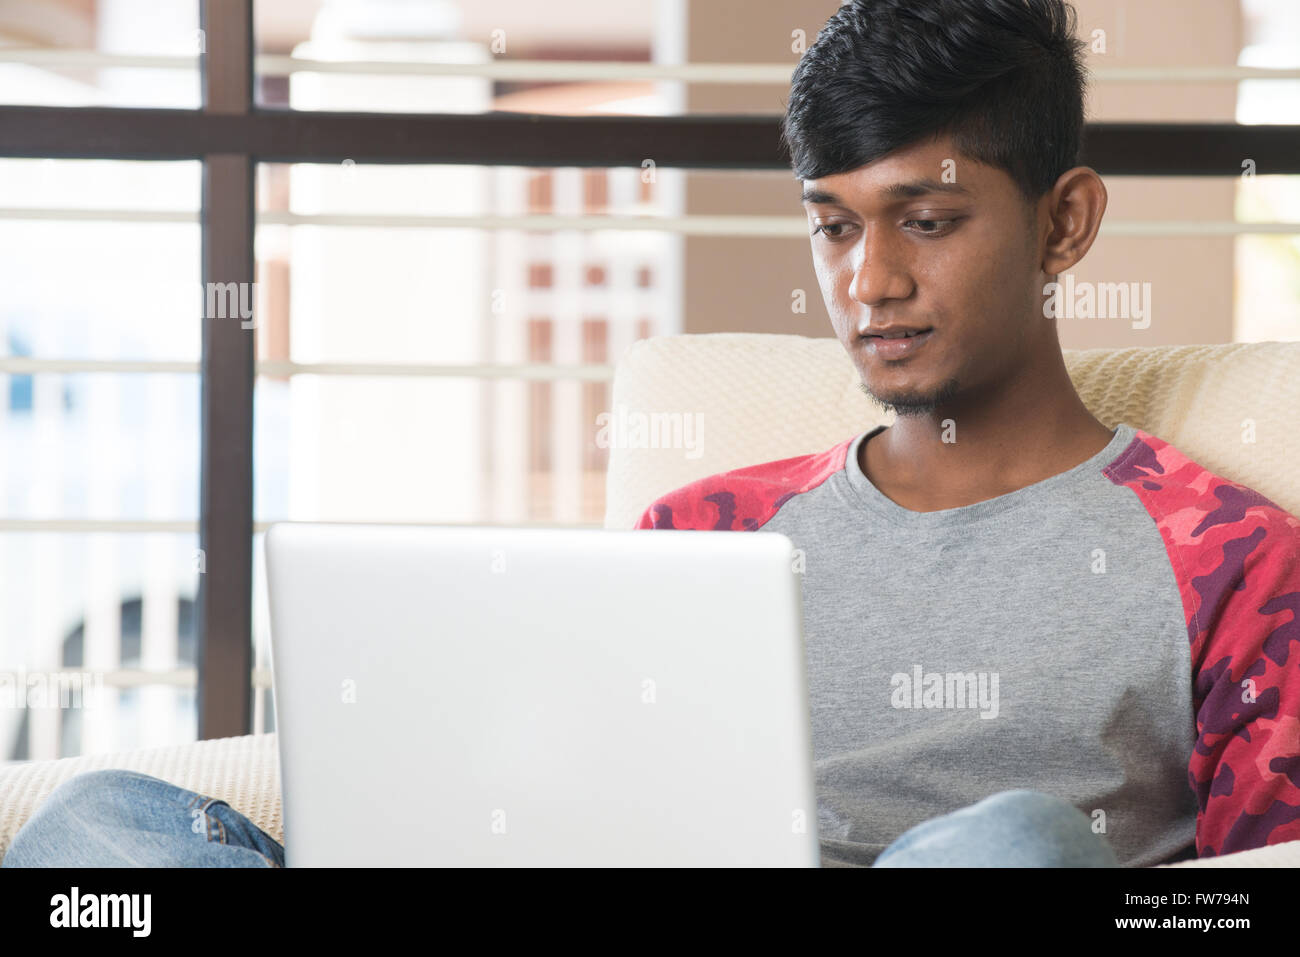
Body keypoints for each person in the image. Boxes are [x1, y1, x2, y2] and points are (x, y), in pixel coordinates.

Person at [5, 0, 1298, 869]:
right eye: (837, 226)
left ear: (1065, 224)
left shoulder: (1229, 559)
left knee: (1010, 843)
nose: (870, 280)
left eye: (930, 219)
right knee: (97, 828)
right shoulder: (703, 531)